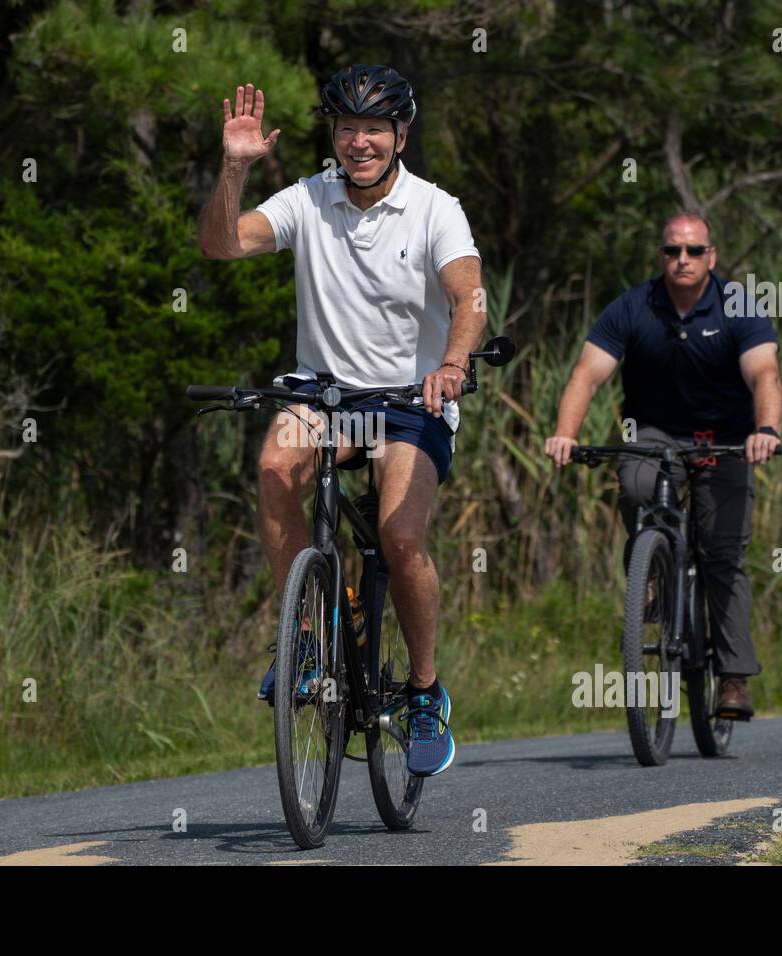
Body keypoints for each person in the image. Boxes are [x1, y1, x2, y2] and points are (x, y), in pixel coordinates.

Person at [197, 65, 485, 775]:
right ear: (333, 135)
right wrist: (233, 169)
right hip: (324, 398)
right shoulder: (308, 199)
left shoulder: (434, 209)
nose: (360, 142)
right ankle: (310, 633)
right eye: (348, 128)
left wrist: (450, 364)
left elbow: (469, 296)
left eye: (375, 129)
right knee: (272, 468)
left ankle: (423, 691)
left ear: (400, 135)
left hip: (406, 405)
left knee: (398, 532)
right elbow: (222, 244)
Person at [543, 213, 782, 718]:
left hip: (727, 440)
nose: (683, 260)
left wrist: (765, 431)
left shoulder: (738, 307)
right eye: (673, 251)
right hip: (652, 434)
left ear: (711, 257)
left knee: (723, 555)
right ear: (661, 257)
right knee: (634, 483)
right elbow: (586, 375)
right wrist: (566, 433)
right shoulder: (633, 307)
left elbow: (764, 373)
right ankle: (651, 572)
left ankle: (734, 678)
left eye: (694, 251)